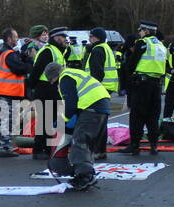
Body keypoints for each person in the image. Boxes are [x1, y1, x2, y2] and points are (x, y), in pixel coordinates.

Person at [45, 61, 110, 190]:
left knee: (79, 143)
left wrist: (61, 122)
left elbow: (70, 105)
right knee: (87, 143)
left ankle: (86, 176)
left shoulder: (65, 78)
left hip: (91, 108)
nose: (54, 84)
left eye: (52, 81)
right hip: (101, 106)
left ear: (54, 76)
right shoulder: (75, 73)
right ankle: (84, 172)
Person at [119, 19, 166, 155]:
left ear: (145, 31)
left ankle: (134, 145)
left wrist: (127, 69)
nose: (139, 33)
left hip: (142, 84)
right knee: (153, 115)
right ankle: (154, 145)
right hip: (156, 84)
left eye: (140, 30)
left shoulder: (143, 43)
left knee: (137, 115)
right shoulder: (161, 46)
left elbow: (131, 64)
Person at [27, 27, 69, 159]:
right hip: (45, 89)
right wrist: (31, 88)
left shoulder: (57, 50)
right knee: (45, 121)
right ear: (57, 38)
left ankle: (46, 148)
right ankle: (38, 150)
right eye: (63, 37)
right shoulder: (48, 51)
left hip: (53, 88)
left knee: (50, 121)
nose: (65, 40)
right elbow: (37, 70)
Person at [0, 27, 32, 157]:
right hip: (10, 91)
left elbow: (17, 60)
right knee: (8, 120)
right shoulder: (9, 54)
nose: (17, 39)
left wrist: (23, 54)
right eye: (15, 37)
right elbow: (20, 69)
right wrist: (29, 61)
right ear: (9, 38)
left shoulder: (2, 52)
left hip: (2, 90)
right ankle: (5, 147)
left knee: (2, 119)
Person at [85, 27, 119, 160]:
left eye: (91, 36)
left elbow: (97, 72)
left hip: (99, 88)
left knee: (97, 121)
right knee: (102, 120)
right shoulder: (106, 48)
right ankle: (101, 150)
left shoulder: (98, 50)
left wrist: (92, 89)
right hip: (107, 87)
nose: (89, 39)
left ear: (96, 38)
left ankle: (98, 150)